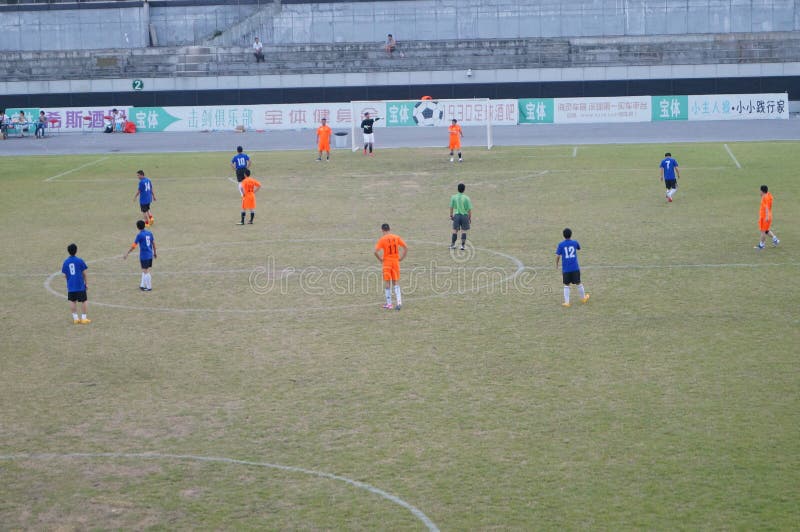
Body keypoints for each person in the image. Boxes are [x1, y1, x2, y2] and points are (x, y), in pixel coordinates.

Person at [374, 223, 407, 310]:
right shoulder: (396, 237)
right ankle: (399, 302)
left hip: (387, 263)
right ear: (389, 229)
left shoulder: (382, 239)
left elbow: (375, 252)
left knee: (387, 283)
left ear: (382, 230)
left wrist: (380, 260)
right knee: (395, 282)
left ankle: (389, 304)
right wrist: (401, 258)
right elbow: (405, 247)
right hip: (395, 262)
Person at [555, 228, 589, 307]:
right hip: (575, 268)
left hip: (566, 269)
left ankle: (567, 302)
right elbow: (579, 248)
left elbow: (557, 256)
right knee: (578, 283)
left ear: (563, 235)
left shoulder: (561, 244)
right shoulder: (575, 242)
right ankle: (583, 298)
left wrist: (556, 264)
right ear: (571, 234)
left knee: (566, 285)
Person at [62, 243, 90, 324]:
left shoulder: (66, 262)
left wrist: (69, 281)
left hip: (71, 285)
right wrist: (86, 283)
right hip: (80, 285)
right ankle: (84, 318)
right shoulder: (80, 260)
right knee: (84, 300)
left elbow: (65, 275)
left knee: (72, 301)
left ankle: (75, 319)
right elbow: (84, 273)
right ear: (76, 250)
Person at [124, 220, 157, 291]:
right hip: (150, 254)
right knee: (144, 270)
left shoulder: (139, 235)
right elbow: (153, 243)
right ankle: (142, 285)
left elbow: (134, 246)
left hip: (144, 256)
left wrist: (127, 253)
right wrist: (155, 252)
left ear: (137, 227)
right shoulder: (149, 233)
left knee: (146, 271)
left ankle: (149, 287)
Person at [755, 185, 780, 250]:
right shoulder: (768, 195)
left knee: (763, 231)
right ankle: (775, 240)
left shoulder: (764, 198)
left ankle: (761, 245)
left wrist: (766, 216)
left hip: (765, 217)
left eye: (760, 191)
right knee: (766, 231)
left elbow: (766, 208)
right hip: (768, 216)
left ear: (762, 191)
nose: (759, 192)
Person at [449, 183, 472, 250]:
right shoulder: (466, 198)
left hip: (456, 215)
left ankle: (452, 245)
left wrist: (451, 215)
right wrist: (469, 217)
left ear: (457, 189)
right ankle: (462, 246)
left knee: (454, 231)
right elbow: (469, 209)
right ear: (464, 189)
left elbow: (451, 207)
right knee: (464, 231)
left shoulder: (453, 197)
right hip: (464, 216)